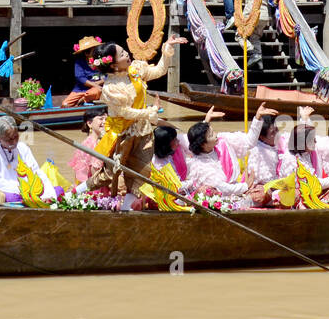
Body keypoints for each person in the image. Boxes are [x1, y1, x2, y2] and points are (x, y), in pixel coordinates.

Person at [76, 36, 188, 197]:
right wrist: (151, 112)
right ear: (114, 65)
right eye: (122, 54)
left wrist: (167, 49)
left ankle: (130, 206)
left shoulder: (135, 70)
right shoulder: (111, 88)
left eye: (124, 51)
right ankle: (75, 193)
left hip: (143, 131)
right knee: (110, 174)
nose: (127, 54)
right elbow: (126, 112)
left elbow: (158, 71)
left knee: (144, 172)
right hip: (121, 134)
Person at [183, 106, 269, 202]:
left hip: (237, 189)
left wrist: (257, 118)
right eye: (211, 135)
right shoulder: (199, 165)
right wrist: (245, 186)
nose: (216, 135)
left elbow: (249, 142)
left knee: (264, 193)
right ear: (203, 144)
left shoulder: (222, 141)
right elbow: (222, 188)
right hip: (218, 199)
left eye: (213, 131)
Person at [0, 116, 56, 203]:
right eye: (9, 139)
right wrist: (24, 192)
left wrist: (48, 194)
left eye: (16, 136)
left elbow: (36, 172)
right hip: (5, 193)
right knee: (6, 197)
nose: (14, 142)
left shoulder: (23, 148)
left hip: (28, 191)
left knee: (58, 191)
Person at [68, 109, 108, 186]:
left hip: (103, 184)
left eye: (106, 119)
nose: (105, 122)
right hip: (93, 187)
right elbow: (81, 175)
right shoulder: (87, 146)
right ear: (89, 123)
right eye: (101, 119)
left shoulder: (102, 142)